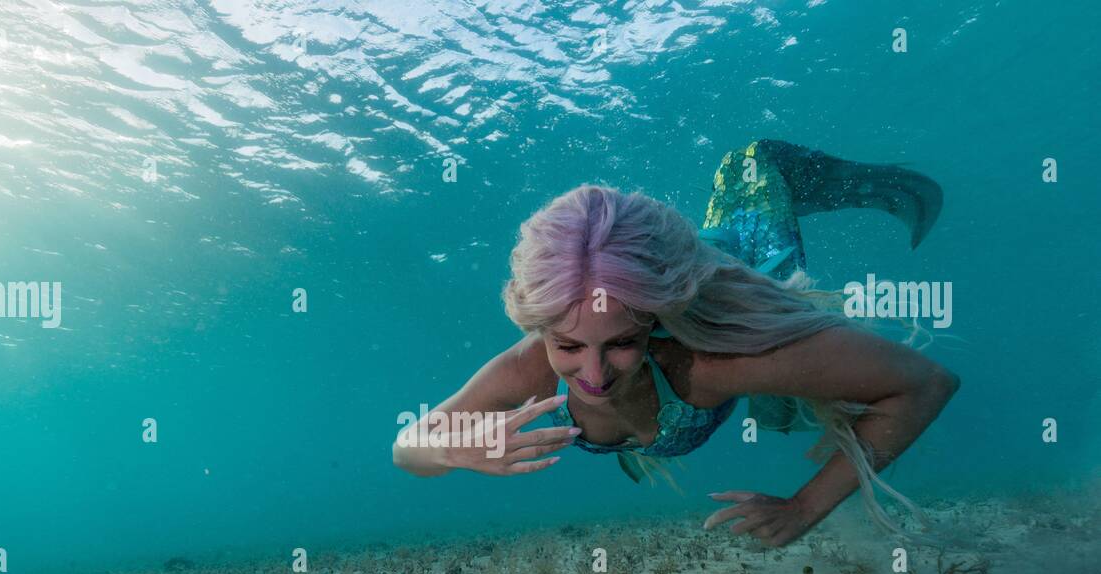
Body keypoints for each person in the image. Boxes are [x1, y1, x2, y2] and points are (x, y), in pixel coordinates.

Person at [393, 140, 959, 547]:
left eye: (620, 343)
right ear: (539, 330)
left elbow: (926, 383)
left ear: (654, 324)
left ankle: (766, 169)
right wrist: (451, 451)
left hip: (735, 264)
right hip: (663, 278)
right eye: (567, 346)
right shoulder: (525, 370)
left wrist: (805, 508)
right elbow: (406, 448)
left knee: (750, 173)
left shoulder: (714, 364)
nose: (594, 376)